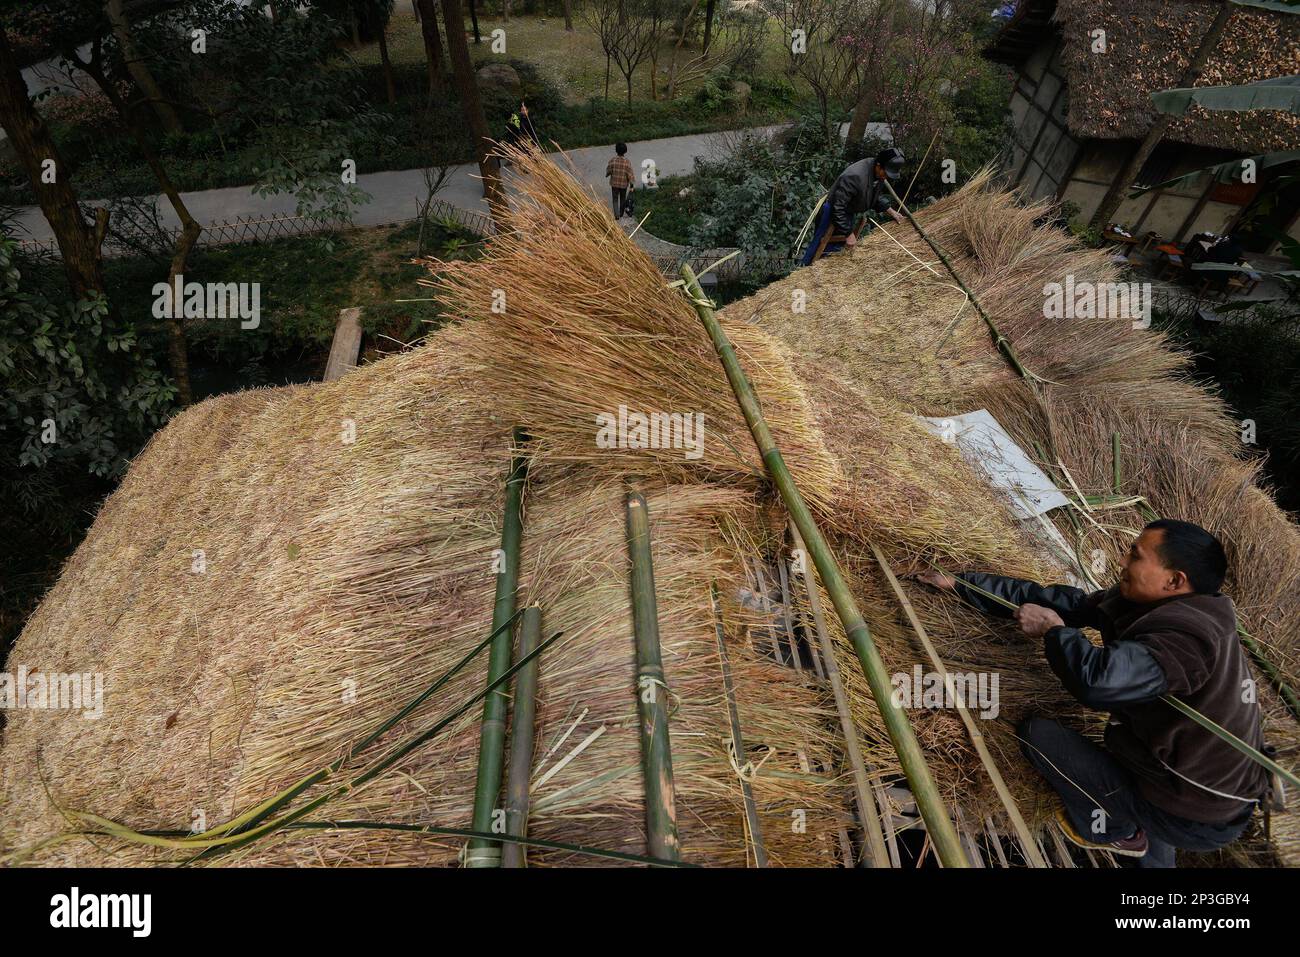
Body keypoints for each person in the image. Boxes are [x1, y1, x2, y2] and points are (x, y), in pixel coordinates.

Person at [919, 519, 1267, 867]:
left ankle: (1116, 831)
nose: (1122, 562)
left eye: (1136, 555)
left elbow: (1099, 682)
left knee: (1039, 736)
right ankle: (1146, 824)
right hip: (1185, 775)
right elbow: (1065, 604)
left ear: (1174, 580)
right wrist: (963, 584)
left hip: (1199, 813)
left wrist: (1055, 633)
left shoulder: (1188, 640)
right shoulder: (1157, 603)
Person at [801, 146, 906, 266]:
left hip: (847, 212)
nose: (885, 177)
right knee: (818, 246)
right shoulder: (855, 176)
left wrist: (891, 211)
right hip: (832, 211)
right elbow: (838, 206)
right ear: (878, 165)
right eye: (885, 173)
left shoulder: (877, 173)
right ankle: (804, 269)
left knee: (835, 251)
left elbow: (872, 197)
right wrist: (848, 233)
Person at [605, 142, 634, 220]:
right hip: (623, 184)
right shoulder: (627, 162)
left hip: (614, 184)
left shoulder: (612, 160)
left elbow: (609, 170)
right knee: (623, 198)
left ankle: (616, 215)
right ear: (625, 151)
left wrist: (607, 174)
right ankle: (621, 213)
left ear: (616, 150)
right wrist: (632, 184)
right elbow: (630, 174)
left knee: (615, 199)